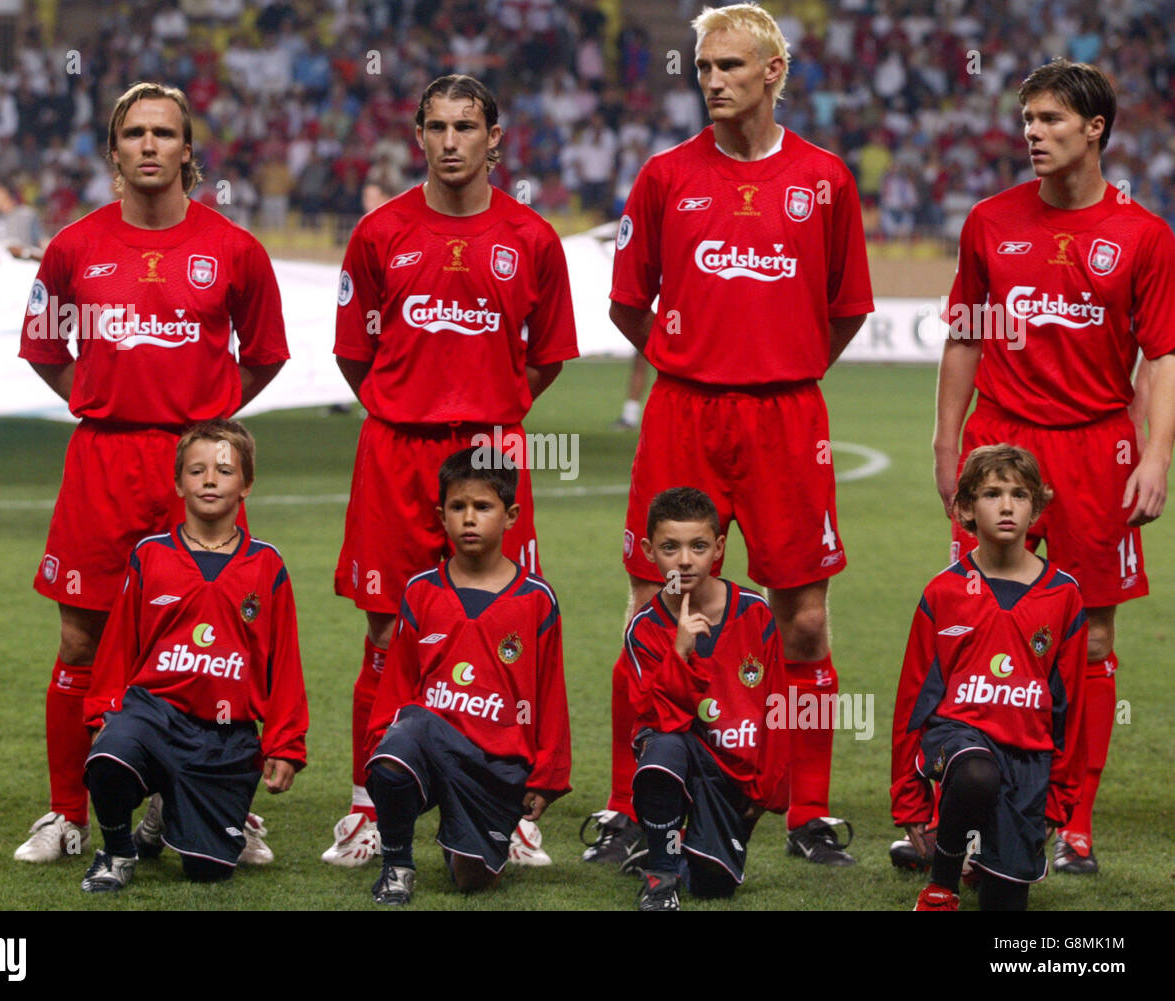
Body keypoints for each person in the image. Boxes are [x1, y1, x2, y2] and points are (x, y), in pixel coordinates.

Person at [590, 2, 873, 867]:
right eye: (704, 67)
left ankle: (808, 811)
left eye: (730, 67)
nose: (711, 81)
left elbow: (846, 308)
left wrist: (776, 366)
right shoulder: (665, 175)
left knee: (804, 622)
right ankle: (626, 800)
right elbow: (628, 303)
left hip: (787, 417)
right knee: (652, 607)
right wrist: (695, 360)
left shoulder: (824, 179)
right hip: (684, 410)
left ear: (773, 72)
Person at [15, 82, 288, 863]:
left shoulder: (235, 250)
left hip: (193, 465)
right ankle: (68, 812)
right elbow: (44, 351)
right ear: (112, 150)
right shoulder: (72, 247)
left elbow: (264, 355)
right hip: (101, 461)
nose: (148, 145)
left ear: (187, 152)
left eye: (164, 133)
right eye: (133, 132)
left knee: (206, 641)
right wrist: (104, 405)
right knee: (79, 637)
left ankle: (208, 800)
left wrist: (206, 425)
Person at [327, 74, 579, 867]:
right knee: (383, 629)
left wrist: (488, 410)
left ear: (494, 137)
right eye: (434, 125)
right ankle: (371, 803)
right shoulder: (378, 232)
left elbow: (548, 358)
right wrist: (409, 406)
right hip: (395, 450)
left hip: (492, 452)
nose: (449, 140)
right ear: (418, 137)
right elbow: (352, 353)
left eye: (465, 125)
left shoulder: (534, 239)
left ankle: (513, 804)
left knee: (511, 626)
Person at [934, 59, 1175, 875]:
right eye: (1028, 119)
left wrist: (1155, 455)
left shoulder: (1143, 234)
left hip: (1097, 445)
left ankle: (1073, 820)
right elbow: (963, 334)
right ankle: (973, 807)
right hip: (1002, 443)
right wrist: (946, 445)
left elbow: (1163, 354)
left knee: (1094, 635)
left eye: (1051, 121)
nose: (1032, 133)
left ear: (1095, 128)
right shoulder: (989, 223)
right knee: (984, 626)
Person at [79, 420, 309, 891]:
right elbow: (119, 643)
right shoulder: (150, 555)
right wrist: (104, 708)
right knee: (109, 758)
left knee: (207, 872)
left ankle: (164, 816)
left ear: (246, 485)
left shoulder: (267, 565)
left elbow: (283, 662)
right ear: (178, 481)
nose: (209, 480)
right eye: (197, 470)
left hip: (226, 737)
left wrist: (286, 743)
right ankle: (118, 850)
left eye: (224, 471)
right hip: (155, 714)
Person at [362, 447, 571, 905]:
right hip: (430, 740)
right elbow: (397, 682)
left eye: (483, 507)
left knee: (473, 882)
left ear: (511, 515)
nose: (469, 519)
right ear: (441, 515)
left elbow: (550, 692)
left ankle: (460, 837)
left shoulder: (536, 599)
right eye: (458, 507)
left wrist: (547, 777)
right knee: (406, 735)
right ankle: (397, 864)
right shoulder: (420, 591)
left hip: (497, 761)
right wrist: (381, 739)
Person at [893, 445, 1086, 910]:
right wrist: (910, 799)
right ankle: (941, 884)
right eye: (991, 494)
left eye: (1019, 495)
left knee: (1004, 902)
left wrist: (1058, 802)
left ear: (1036, 507)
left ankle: (984, 859)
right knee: (976, 772)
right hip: (957, 737)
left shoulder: (1063, 596)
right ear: (964, 508)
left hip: (1027, 756)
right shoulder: (944, 591)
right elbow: (913, 700)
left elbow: (1071, 708)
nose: (1005, 506)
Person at [620, 488, 788, 910]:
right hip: (678, 754)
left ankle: (679, 849)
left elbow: (778, 710)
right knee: (662, 749)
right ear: (648, 550)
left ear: (719, 546)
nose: (684, 560)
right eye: (669, 547)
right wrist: (679, 652)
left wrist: (765, 793)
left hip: (733, 773)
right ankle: (660, 877)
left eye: (698, 546)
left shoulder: (755, 613)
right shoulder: (644, 629)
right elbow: (661, 718)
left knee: (714, 885)